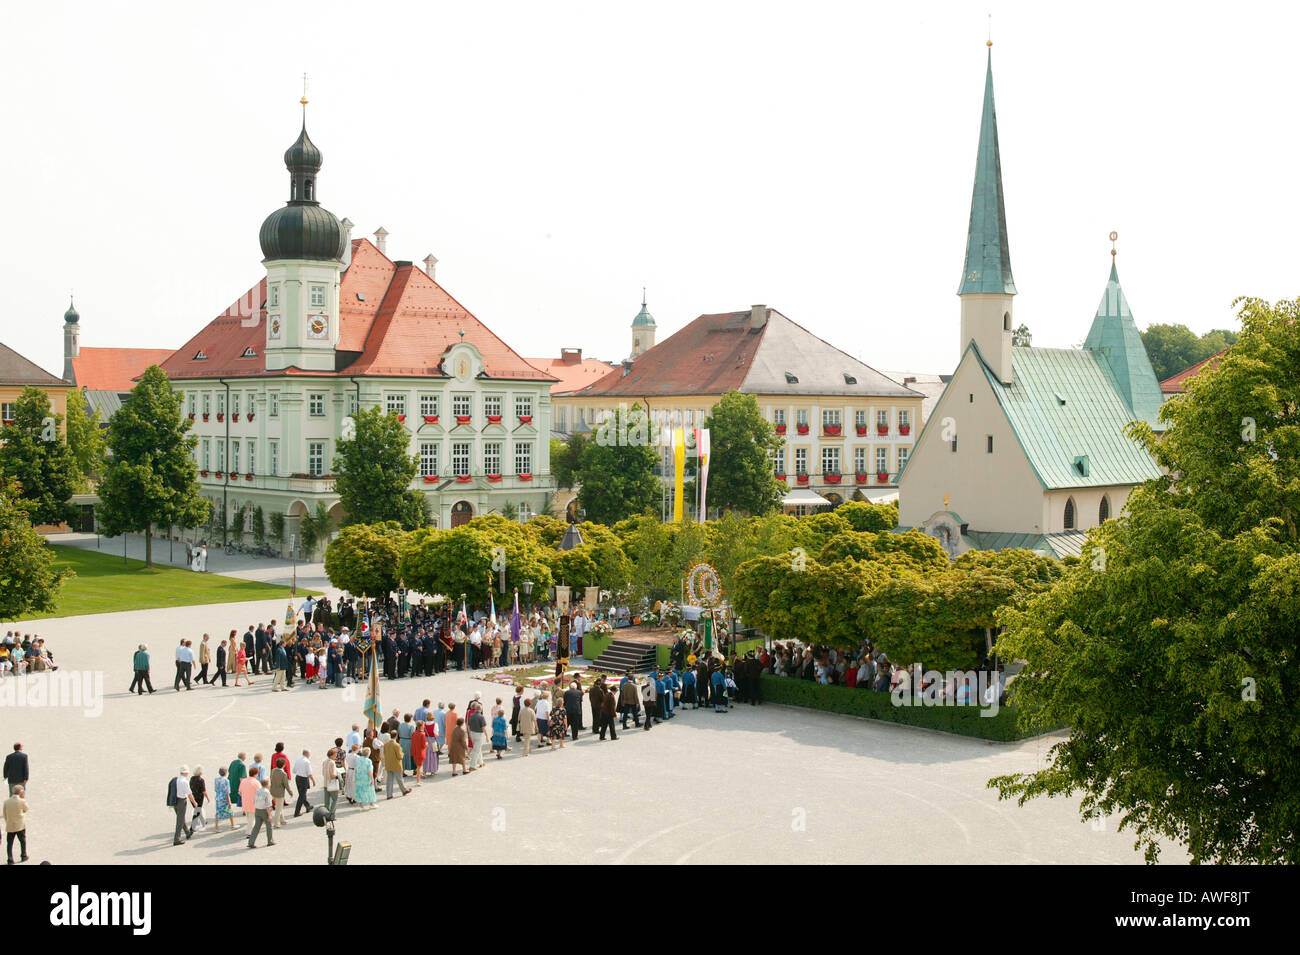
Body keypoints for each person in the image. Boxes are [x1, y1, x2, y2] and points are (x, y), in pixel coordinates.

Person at [246, 779, 274, 848]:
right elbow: (268, 804)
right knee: (269, 826)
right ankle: (270, 841)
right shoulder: (267, 792)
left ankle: (251, 842)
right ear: (267, 784)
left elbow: (254, 800)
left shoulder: (257, 791)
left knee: (256, 827)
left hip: (257, 810)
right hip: (264, 810)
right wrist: (269, 814)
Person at [170, 766, 195, 845]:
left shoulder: (175, 779)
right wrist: (194, 802)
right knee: (180, 820)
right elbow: (189, 794)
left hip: (174, 800)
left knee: (180, 817)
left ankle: (187, 832)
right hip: (181, 801)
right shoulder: (185, 782)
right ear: (185, 773)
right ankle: (176, 838)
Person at [4, 786, 28, 865]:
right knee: (22, 841)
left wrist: (8, 821)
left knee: (9, 843)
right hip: (20, 825)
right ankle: (23, 855)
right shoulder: (22, 801)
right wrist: (23, 798)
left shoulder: (6, 802)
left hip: (10, 825)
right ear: (20, 792)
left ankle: (10, 859)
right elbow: (26, 809)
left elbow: (4, 814)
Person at [383, 732, 410, 799]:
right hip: (396, 764)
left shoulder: (386, 745)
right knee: (399, 779)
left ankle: (389, 794)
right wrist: (403, 754)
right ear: (396, 736)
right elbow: (399, 756)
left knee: (389, 780)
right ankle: (404, 790)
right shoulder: (397, 745)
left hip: (388, 764)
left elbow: (385, 754)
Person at [268, 761, 292, 828]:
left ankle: (282, 820)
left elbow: (271, 779)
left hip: (273, 791)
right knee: (278, 809)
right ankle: (276, 823)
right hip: (280, 793)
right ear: (283, 765)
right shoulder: (283, 774)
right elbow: (286, 785)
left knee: (279, 807)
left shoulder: (273, 770)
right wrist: (290, 792)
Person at [213, 766, 237, 831]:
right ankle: (233, 825)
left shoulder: (216, 779)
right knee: (230, 811)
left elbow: (216, 789)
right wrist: (229, 802)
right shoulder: (226, 780)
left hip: (218, 798)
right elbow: (227, 792)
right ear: (226, 773)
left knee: (218, 812)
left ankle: (216, 827)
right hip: (224, 799)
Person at [293, 750, 314, 818]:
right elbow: (309, 773)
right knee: (301, 796)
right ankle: (297, 812)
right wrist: (313, 780)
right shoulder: (307, 761)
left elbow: (294, 770)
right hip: (304, 779)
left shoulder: (298, 760)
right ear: (307, 754)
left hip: (298, 778)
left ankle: (307, 806)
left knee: (302, 794)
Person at [466, 703, 487, 771]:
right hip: (478, 734)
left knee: (478, 748)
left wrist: (469, 733)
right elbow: (483, 728)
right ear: (480, 709)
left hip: (472, 733)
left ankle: (481, 762)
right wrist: (486, 735)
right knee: (476, 750)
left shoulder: (471, 715)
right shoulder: (481, 717)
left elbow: (468, 725)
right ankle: (472, 765)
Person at [321, 748, 340, 817]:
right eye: (335, 754)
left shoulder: (325, 761)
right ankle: (331, 814)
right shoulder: (332, 762)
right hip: (332, 784)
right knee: (335, 799)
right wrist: (338, 775)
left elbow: (323, 773)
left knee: (326, 802)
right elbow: (332, 775)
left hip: (325, 783)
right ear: (331, 755)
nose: (336, 756)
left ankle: (325, 814)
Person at [189, 766, 207, 833]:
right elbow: (204, 791)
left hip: (193, 797)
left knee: (197, 810)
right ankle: (192, 827)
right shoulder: (201, 780)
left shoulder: (192, 778)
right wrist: (208, 798)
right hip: (199, 798)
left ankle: (203, 821)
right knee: (197, 812)